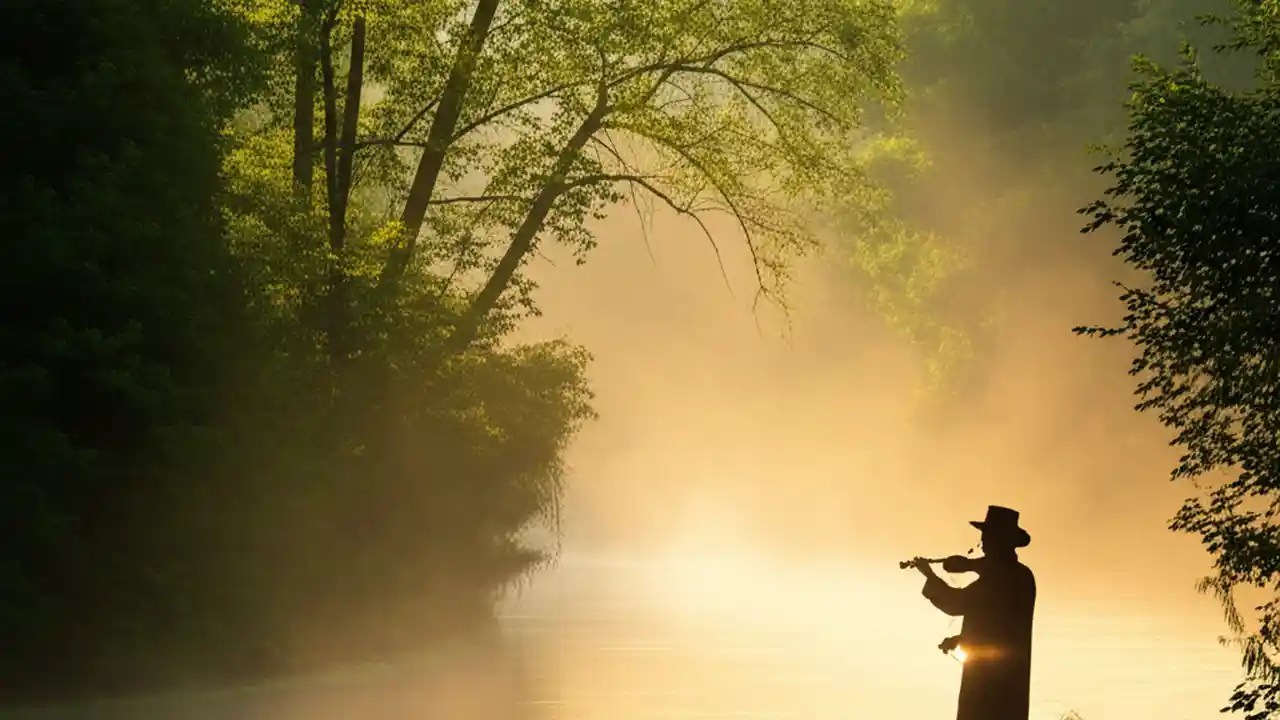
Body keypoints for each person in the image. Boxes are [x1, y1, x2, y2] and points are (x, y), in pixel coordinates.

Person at [912, 505, 1036, 720]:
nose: (983, 542)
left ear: (1000, 540)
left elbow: (957, 604)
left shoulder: (1000, 577)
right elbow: (997, 625)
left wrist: (929, 575)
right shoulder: (1021, 575)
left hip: (989, 678)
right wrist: (962, 638)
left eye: (988, 536)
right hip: (1011, 676)